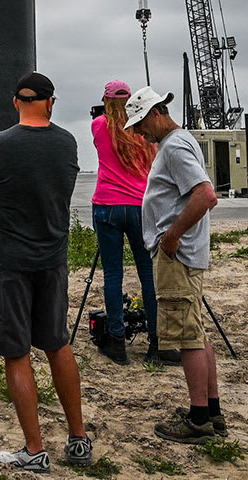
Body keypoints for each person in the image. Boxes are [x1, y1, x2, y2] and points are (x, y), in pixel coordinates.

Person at [0, 72, 89, 471]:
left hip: (9, 262)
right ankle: (78, 438)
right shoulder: (66, 142)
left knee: (16, 353)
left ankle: (34, 450)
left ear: (15, 102)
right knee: (57, 344)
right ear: (50, 102)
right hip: (52, 258)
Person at [127, 86, 226, 445]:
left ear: (156, 113)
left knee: (187, 338)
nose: (139, 133)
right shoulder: (177, 144)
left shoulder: (175, 146)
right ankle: (211, 412)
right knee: (195, 331)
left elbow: (206, 195)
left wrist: (171, 236)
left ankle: (199, 418)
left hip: (178, 256)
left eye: (140, 124)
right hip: (183, 254)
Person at [89, 79, 162, 367]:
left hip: (107, 205)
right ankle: (155, 341)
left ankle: (116, 341)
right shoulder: (141, 128)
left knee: (113, 274)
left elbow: (100, 129)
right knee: (147, 275)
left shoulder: (98, 125)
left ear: (106, 101)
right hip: (139, 205)